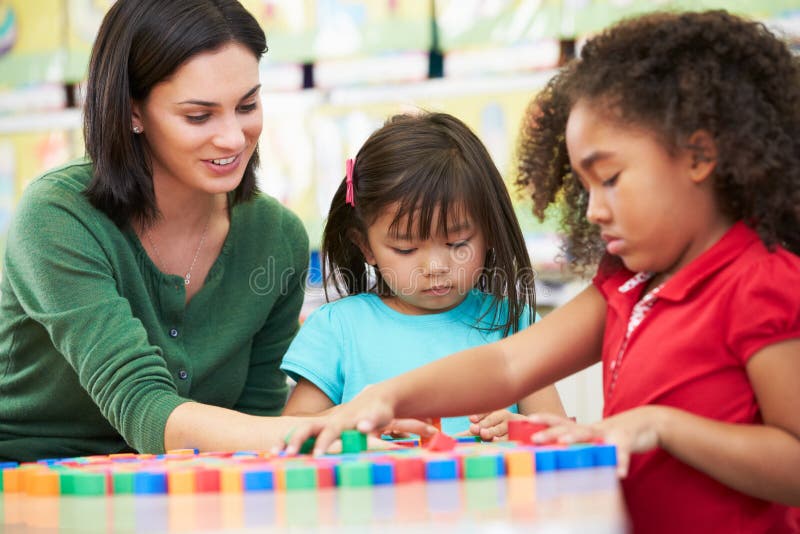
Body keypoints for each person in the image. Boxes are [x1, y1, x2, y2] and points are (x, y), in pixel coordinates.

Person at [284, 11, 800, 533]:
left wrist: (662, 427)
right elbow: (508, 365)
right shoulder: (624, 284)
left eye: (611, 179)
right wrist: (386, 397)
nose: (593, 210)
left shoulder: (763, 284)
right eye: (584, 186)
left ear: (699, 155)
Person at [0, 0, 316, 462]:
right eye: (199, 116)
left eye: (247, 105)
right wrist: (315, 430)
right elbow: (142, 405)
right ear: (132, 112)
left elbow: (257, 424)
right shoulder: (57, 216)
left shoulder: (277, 238)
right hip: (28, 481)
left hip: (184, 486)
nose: (233, 137)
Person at [280, 112, 565, 438]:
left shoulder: (513, 323)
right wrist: (357, 425)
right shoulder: (338, 329)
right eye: (406, 249)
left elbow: (556, 436)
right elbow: (293, 432)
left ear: (488, 228)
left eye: (457, 243)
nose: (435, 267)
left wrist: (520, 429)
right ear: (366, 246)